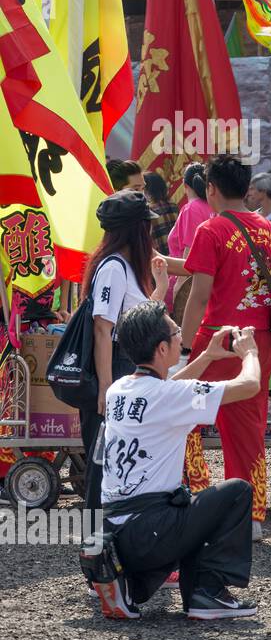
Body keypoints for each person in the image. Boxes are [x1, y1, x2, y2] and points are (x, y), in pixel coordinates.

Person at [92, 304, 262, 621]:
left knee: (190, 503)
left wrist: (208, 356)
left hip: (118, 536)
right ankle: (206, 592)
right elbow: (249, 385)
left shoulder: (119, 389)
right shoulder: (169, 397)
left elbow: (168, 392)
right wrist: (250, 353)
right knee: (236, 492)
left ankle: (121, 578)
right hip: (152, 534)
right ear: (161, 347)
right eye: (176, 333)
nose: (180, 336)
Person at [180, 156, 271, 539]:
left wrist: (182, 344)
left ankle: (196, 497)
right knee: (248, 430)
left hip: (217, 340)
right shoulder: (268, 230)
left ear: (210, 188)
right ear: (246, 189)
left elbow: (199, 296)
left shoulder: (210, 230)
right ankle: (251, 515)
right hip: (257, 343)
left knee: (181, 418)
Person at [80, 191, 175, 514]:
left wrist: (160, 286)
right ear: (135, 230)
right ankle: (99, 540)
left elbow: (138, 319)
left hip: (123, 363)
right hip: (115, 365)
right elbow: (103, 329)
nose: (149, 233)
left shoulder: (123, 266)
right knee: (105, 456)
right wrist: (106, 387)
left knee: (122, 454)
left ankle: (116, 533)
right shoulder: (114, 268)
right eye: (145, 227)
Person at [167, 163, 214, 320]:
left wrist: (179, 287)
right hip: (209, 282)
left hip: (189, 285)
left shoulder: (191, 209)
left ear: (185, 185)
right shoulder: (213, 207)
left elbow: (189, 251)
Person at [143, 172, 178, 255]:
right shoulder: (174, 206)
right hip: (178, 256)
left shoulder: (147, 211)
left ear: (147, 190)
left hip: (159, 260)